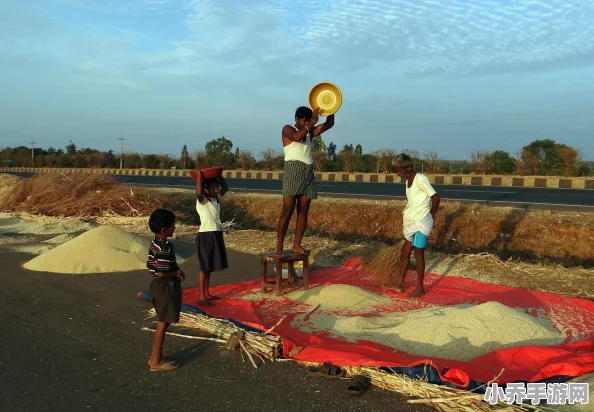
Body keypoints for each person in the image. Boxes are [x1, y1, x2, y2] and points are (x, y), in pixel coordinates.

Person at [275, 106, 335, 258]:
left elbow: (328, 125)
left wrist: (331, 109)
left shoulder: (308, 131)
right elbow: (296, 137)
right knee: (287, 212)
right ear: (296, 119)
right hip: (293, 170)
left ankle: (297, 244)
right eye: (303, 121)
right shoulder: (288, 129)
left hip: (308, 171)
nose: (305, 123)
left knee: (303, 212)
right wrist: (313, 121)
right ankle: (279, 247)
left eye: (307, 121)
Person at [392, 153, 440, 298]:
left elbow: (436, 198)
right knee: (405, 252)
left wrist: (431, 217)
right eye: (396, 170)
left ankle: (420, 288)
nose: (398, 174)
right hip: (412, 222)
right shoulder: (408, 181)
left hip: (421, 222)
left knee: (418, 253)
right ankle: (400, 283)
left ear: (409, 167)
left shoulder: (420, 179)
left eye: (400, 170)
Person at [146, 208, 185, 371]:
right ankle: (156, 361)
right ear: (164, 230)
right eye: (172, 225)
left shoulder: (155, 243)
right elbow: (162, 272)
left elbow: (151, 267)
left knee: (164, 321)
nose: (174, 228)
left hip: (158, 285)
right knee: (163, 323)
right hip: (165, 286)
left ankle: (155, 357)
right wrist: (176, 272)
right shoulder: (164, 249)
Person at [195, 172, 229, 306]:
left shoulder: (216, 199)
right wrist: (198, 179)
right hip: (206, 235)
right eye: (213, 188)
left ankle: (207, 293)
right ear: (205, 190)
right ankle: (201, 296)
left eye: (217, 188)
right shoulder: (202, 200)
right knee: (204, 266)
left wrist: (220, 176)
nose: (216, 190)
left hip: (216, 233)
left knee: (209, 266)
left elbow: (225, 188)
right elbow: (198, 193)